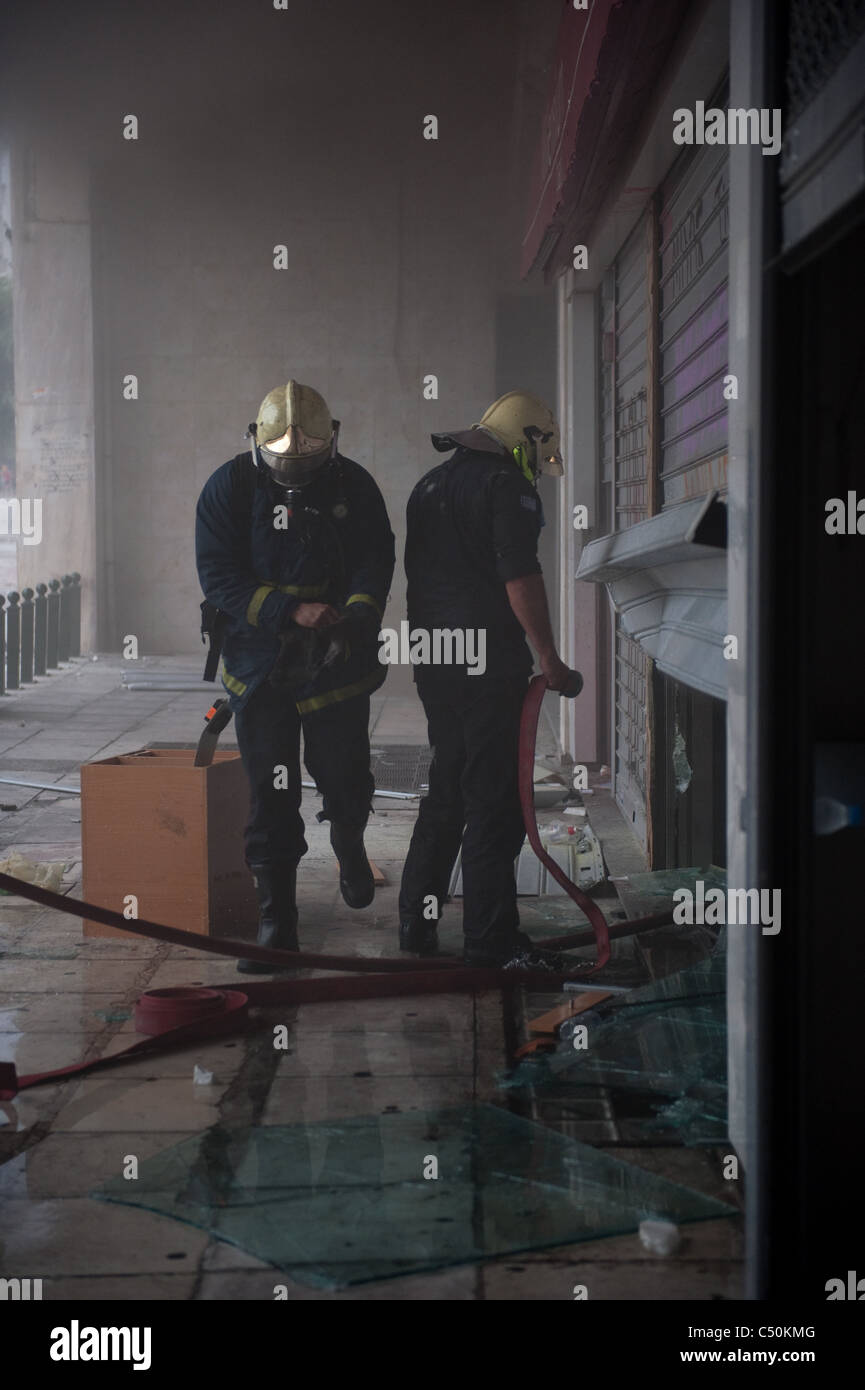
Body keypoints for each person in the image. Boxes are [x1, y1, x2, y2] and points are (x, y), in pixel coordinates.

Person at [195, 380, 395, 971]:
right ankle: (278, 925)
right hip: (261, 665)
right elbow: (219, 577)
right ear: (256, 443)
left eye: (307, 462)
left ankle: (349, 842)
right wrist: (288, 610)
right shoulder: (228, 489)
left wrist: (356, 616)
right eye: (284, 462)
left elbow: (374, 556)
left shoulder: (353, 485)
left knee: (344, 774)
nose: (295, 471)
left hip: (336, 659)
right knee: (272, 792)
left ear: (331, 443)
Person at [398, 389, 582, 969]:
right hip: (485, 665)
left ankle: (416, 925)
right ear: (524, 441)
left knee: (447, 786)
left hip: (435, 657)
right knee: (493, 800)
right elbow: (519, 577)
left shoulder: (429, 485)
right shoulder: (507, 487)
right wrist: (550, 659)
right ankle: (490, 942)